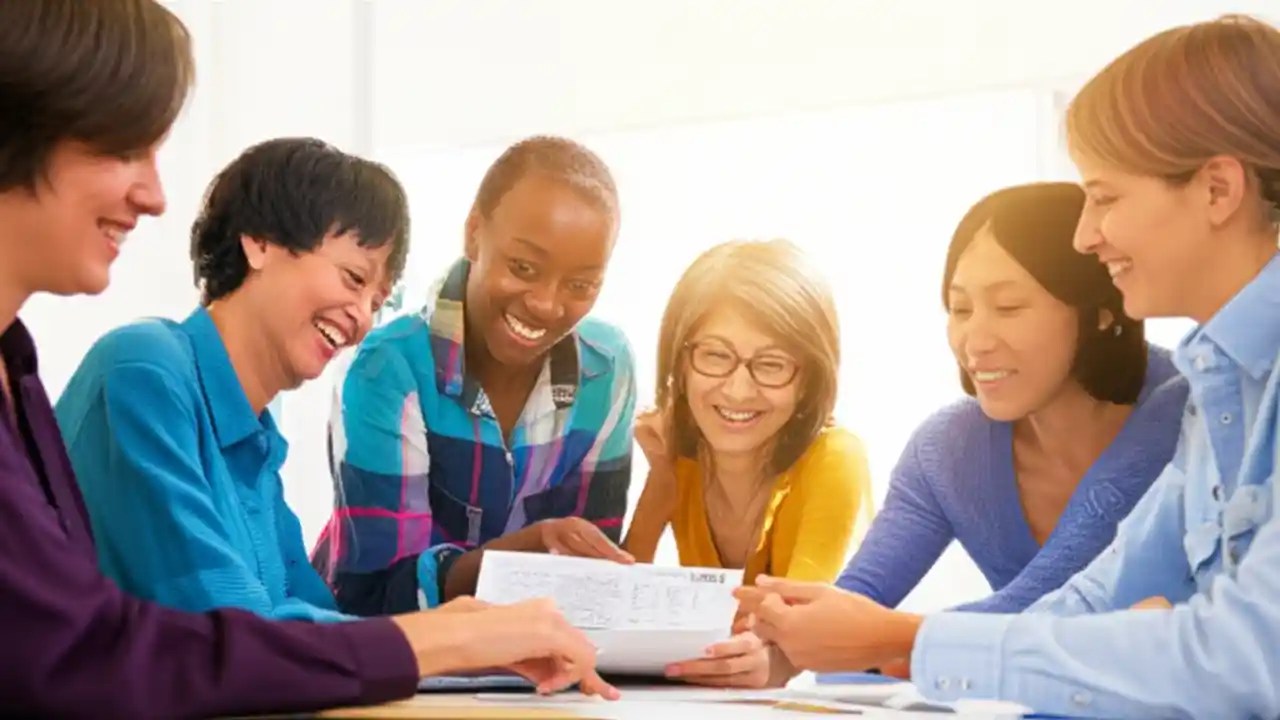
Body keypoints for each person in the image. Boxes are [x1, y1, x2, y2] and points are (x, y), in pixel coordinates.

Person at [0, 3, 611, 717]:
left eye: (377, 300)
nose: (359, 319)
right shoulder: (145, 368)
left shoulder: (254, 431)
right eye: (353, 279)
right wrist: (442, 638)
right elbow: (212, 635)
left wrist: (464, 636)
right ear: (258, 241)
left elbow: (304, 613)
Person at [737, 15, 1280, 719]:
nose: (1087, 236)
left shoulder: (1177, 396)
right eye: (960, 308)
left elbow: (1241, 660)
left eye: (1106, 197)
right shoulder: (1222, 384)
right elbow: (1098, 596)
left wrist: (911, 639)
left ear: (1216, 190)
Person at [313, 136, 637, 613]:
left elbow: (590, 576)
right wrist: (526, 551)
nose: (547, 304)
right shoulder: (389, 368)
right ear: (473, 233)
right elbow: (377, 596)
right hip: (396, 663)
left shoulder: (606, 369)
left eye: (581, 285)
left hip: (531, 663)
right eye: (523, 267)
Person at [834, 183, 1187, 616]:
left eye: (1009, 307)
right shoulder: (948, 449)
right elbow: (850, 610)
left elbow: (1037, 611)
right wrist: (776, 647)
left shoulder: (1186, 410)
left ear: (1101, 310)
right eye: (960, 310)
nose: (974, 342)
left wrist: (868, 642)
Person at [625, 239, 874, 688]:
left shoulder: (835, 458)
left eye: (772, 364)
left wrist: (768, 661)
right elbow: (617, 596)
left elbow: (800, 638)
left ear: (810, 380)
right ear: (680, 361)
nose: (739, 390)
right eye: (716, 356)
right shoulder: (681, 452)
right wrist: (661, 476)